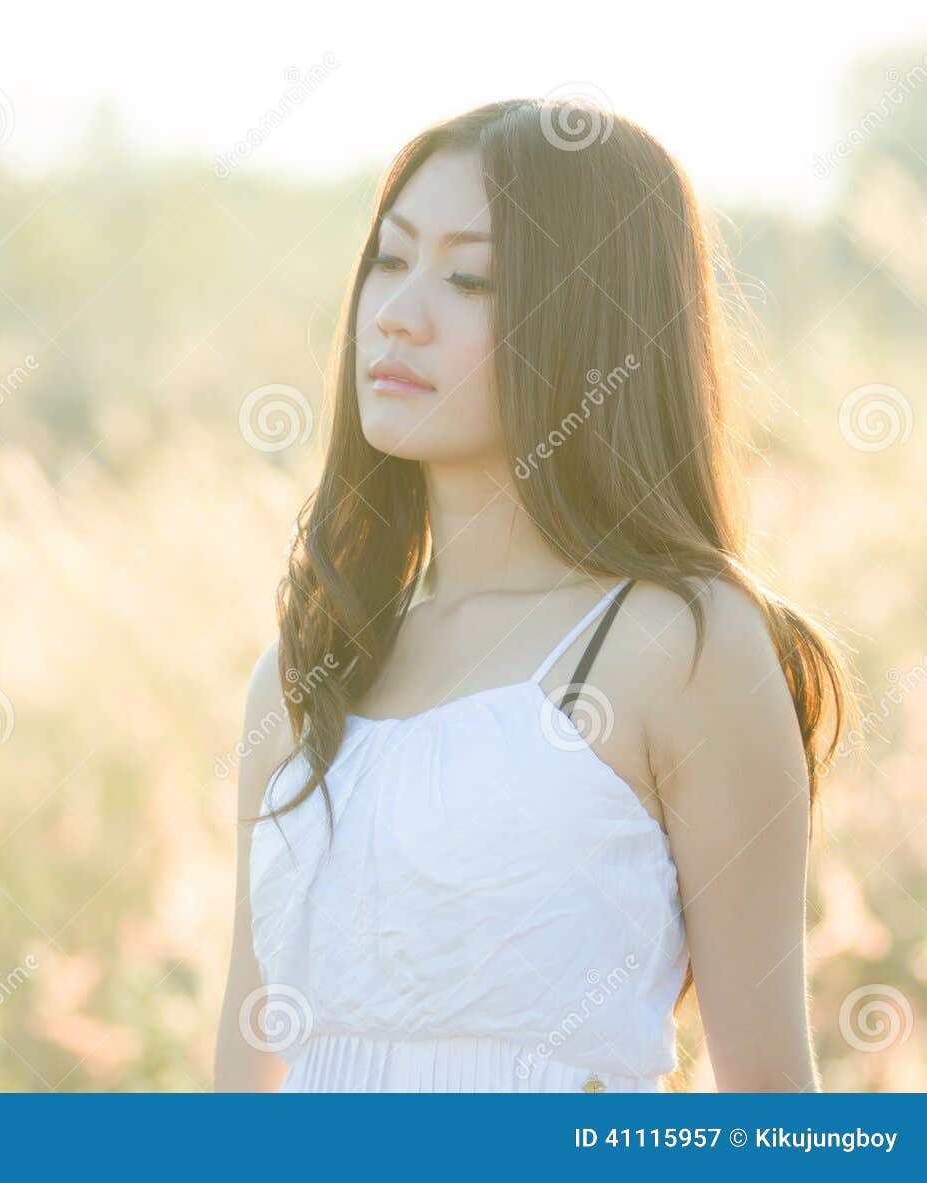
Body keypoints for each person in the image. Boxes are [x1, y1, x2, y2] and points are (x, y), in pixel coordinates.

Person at [213, 98, 853, 1093]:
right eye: (389, 258)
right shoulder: (309, 669)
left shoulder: (679, 643)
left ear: (594, 320)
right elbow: (242, 1087)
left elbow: (770, 1109)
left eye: (470, 277)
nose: (397, 312)